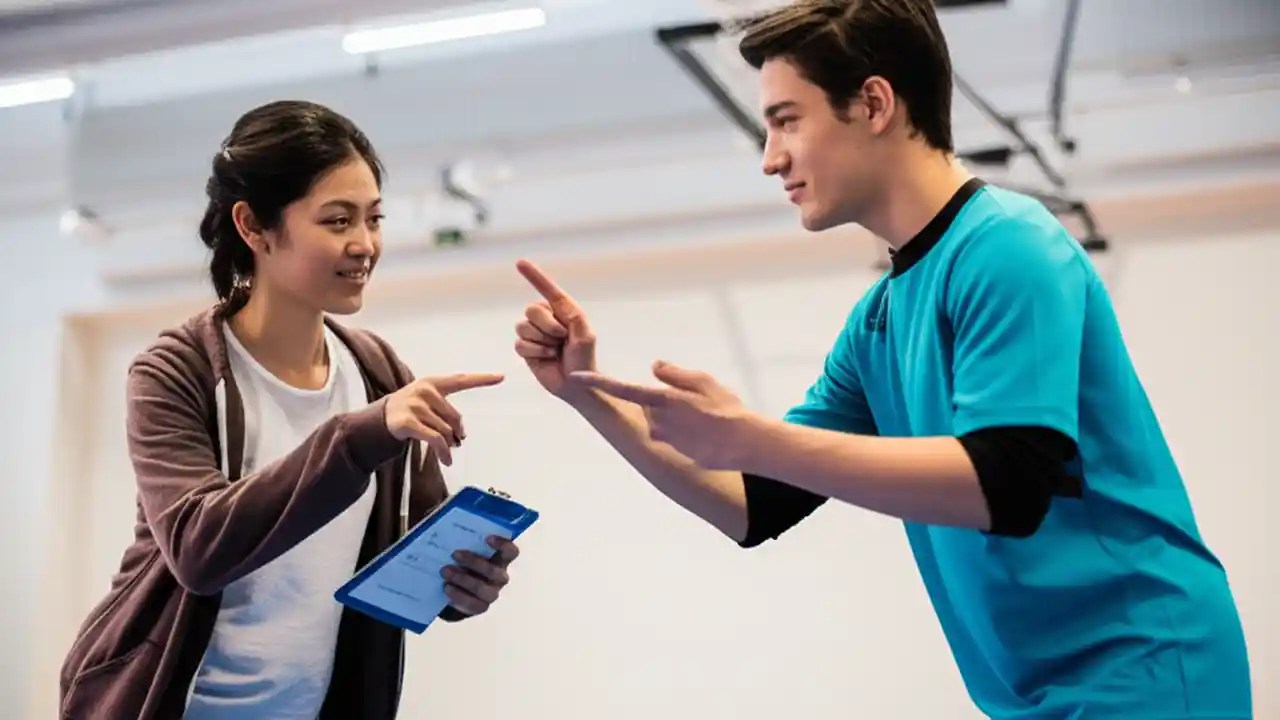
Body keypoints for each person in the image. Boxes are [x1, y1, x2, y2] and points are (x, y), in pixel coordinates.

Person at [511, 1, 1252, 718]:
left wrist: (752, 435)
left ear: (873, 103)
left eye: (786, 122)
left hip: (1146, 672)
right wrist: (586, 394)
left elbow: (1009, 485)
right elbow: (753, 502)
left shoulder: (1008, 245)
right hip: (1042, 692)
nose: (771, 160)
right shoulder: (881, 319)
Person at [59, 100, 519, 720]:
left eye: (374, 219)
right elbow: (200, 550)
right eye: (337, 221)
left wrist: (462, 581)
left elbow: (407, 556)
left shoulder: (377, 375)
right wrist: (361, 435)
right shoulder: (175, 370)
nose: (365, 245)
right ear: (253, 226)